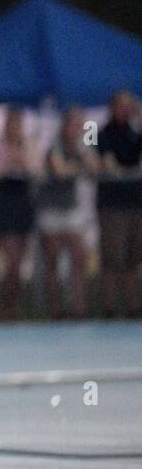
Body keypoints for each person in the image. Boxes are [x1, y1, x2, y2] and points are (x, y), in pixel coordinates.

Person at [36, 108, 96, 319]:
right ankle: (56, 309)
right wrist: (77, 167)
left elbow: (94, 168)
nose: (76, 130)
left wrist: (83, 156)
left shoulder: (82, 147)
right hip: (51, 210)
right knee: (52, 261)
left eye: (80, 126)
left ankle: (79, 307)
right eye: (73, 125)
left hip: (71, 210)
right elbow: (60, 171)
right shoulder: (55, 145)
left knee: (78, 260)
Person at [0, 107, 38, 319]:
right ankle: (7, 308)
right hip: (6, 205)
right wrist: (6, 163)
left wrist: (23, 160)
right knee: (11, 262)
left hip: (24, 204)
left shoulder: (28, 145)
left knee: (21, 263)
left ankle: (16, 306)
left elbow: (37, 171)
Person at [94, 90, 141, 318]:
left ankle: (133, 305)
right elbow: (96, 159)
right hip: (111, 205)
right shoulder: (99, 133)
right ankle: (110, 307)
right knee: (112, 256)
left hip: (135, 203)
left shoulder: (135, 133)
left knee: (133, 257)